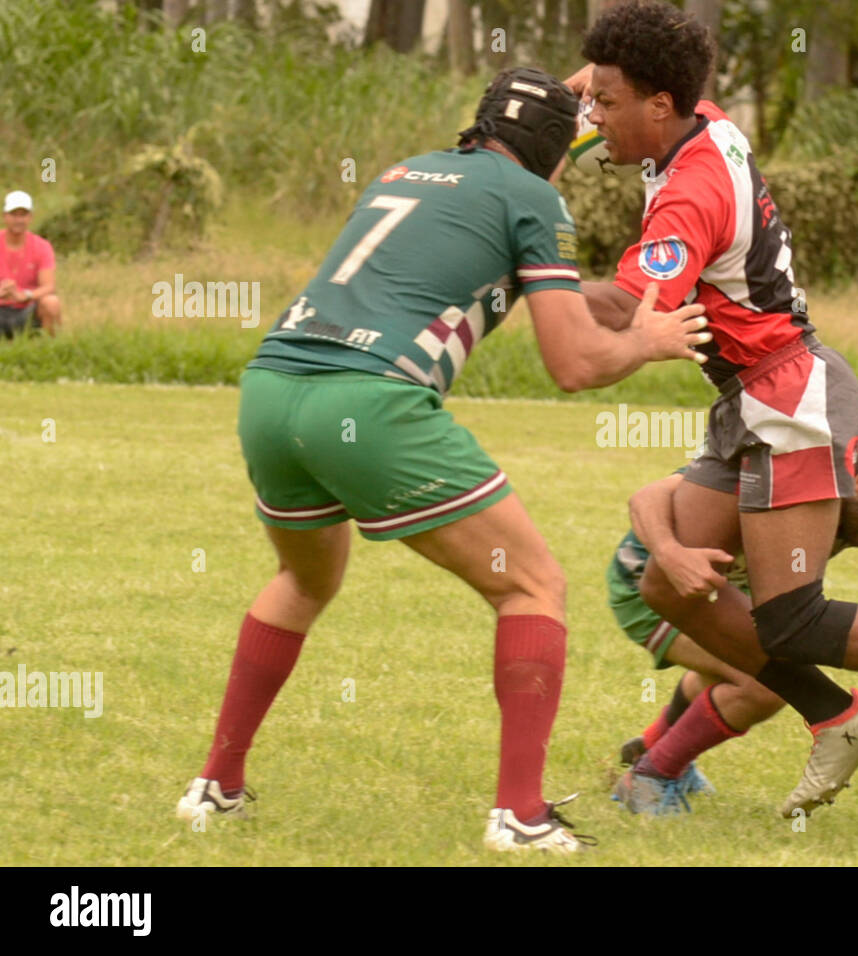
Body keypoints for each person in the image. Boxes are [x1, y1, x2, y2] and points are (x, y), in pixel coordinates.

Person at [174, 67, 710, 853]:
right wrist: (649, 341)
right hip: (366, 402)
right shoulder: (535, 197)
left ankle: (215, 787)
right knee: (534, 584)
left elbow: (502, 254)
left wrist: (618, 290)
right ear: (556, 153)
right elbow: (573, 365)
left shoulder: (411, 170)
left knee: (303, 579)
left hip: (271, 388)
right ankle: (519, 816)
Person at [565, 0, 858, 818]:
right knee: (664, 580)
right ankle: (838, 714)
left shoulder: (690, 195)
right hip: (751, 396)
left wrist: (524, 280)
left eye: (607, 104)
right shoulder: (699, 118)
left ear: (658, 105)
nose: (594, 117)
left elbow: (628, 309)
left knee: (791, 616)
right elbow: (602, 82)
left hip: (790, 395)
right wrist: (563, 95)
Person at [607, 438, 858, 815]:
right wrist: (671, 555)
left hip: (728, 589)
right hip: (654, 581)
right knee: (767, 681)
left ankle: (651, 747)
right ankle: (651, 776)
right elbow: (646, 497)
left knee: (754, 660)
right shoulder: (796, 467)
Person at [0, 190, 60, 338]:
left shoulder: (41, 246)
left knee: (51, 302)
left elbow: (49, 286)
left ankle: (48, 350)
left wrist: (24, 295)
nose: (18, 220)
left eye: (23, 215)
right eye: (14, 214)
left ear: (30, 217)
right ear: (5, 216)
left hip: (27, 309)